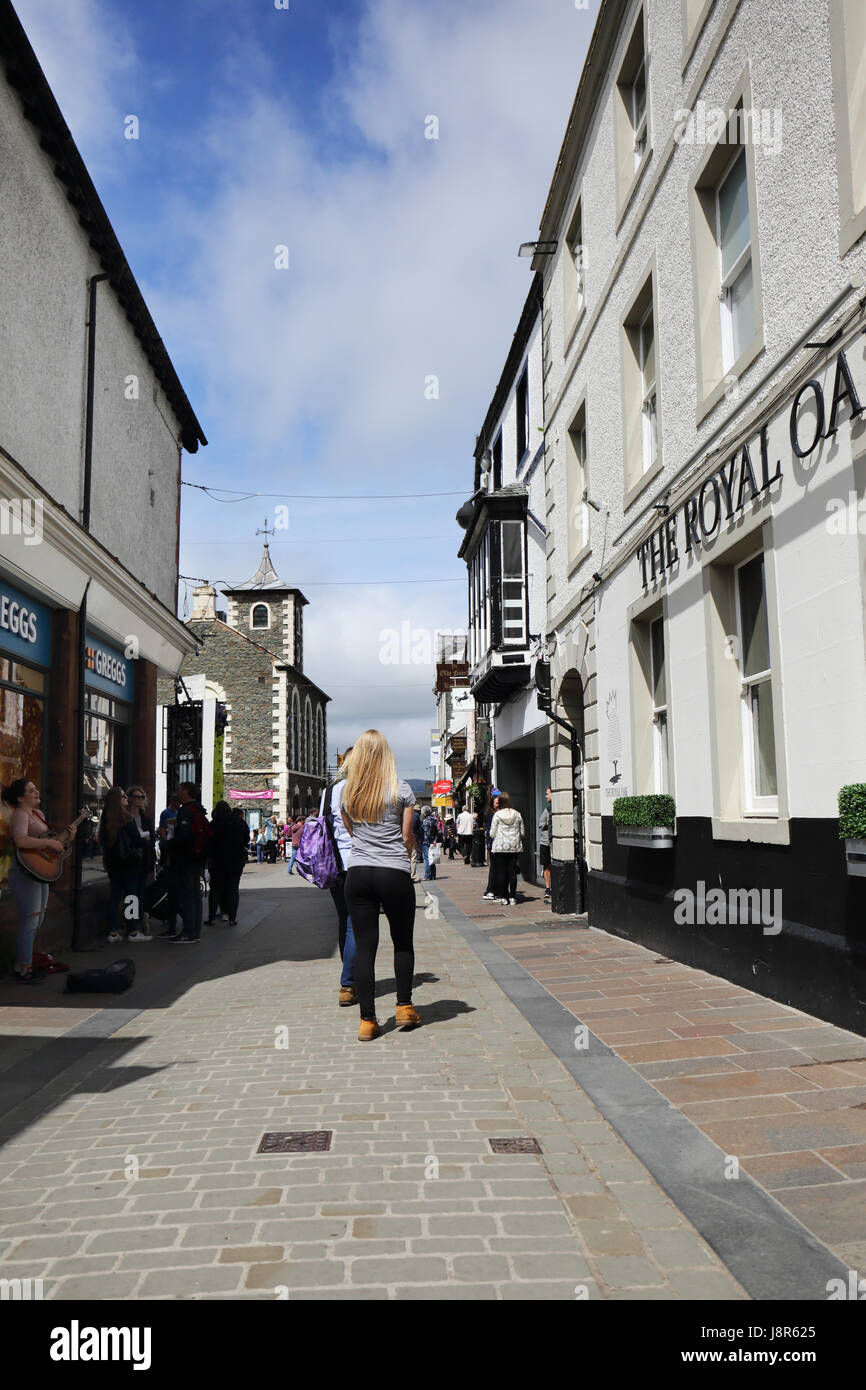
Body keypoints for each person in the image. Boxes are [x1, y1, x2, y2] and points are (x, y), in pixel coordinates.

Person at [342, 729, 420, 1042]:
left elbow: (351, 832)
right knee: (402, 942)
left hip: (358, 873)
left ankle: (368, 1021)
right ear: (386, 754)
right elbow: (406, 836)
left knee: (365, 946)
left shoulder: (349, 792)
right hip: (393, 872)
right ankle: (404, 1007)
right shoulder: (402, 789)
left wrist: (368, 845)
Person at [2, 779, 77, 982]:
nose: (36, 792)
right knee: (31, 920)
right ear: (20, 798)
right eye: (31, 790)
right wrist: (48, 843)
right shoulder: (20, 814)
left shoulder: (38, 815)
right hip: (25, 873)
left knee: (38, 919)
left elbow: (50, 845)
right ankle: (23, 967)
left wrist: (67, 839)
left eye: (36, 789)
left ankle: (27, 960)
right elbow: (20, 840)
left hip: (39, 872)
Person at [320, 745, 357, 1006]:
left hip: (334, 864)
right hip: (358, 862)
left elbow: (324, 826)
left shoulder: (329, 791)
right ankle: (348, 982)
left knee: (344, 920)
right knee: (356, 923)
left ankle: (349, 977)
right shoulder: (361, 789)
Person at [99, 786, 150, 942]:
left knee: (115, 897)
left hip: (114, 865)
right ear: (117, 800)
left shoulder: (106, 819)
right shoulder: (127, 818)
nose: (126, 798)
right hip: (129, 864)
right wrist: (146, 838)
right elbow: (137, 841)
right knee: (131, 897)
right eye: (123, 796)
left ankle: (112, 932)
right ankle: (132, 931)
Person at [167, 783, 210, 943]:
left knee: (187, 895)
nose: (177, 792)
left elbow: (184, 837)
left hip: (187, 858)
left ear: (186, 792)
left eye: (179, 789)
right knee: (195, 895)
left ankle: (188, 931)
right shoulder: (199, 809)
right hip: (197, 857)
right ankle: (194, 931)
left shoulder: (186, 811)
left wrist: (170, 843)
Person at [205, 800, 249, 925]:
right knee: (233, 889)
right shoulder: (239, 822)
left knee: (215, 889)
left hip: (217, 861)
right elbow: (246, 839)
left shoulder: (213, 824)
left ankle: (211, 917)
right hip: (236, 860)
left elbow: (208, 843)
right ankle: (232, 918)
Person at [126, 786, 156, 936]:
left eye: (141, 797)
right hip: (129, 860)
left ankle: (140, 920)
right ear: (130, 798)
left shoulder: (145, 818)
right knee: (131, 894)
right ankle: (131, 926)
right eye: (136, 796)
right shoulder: (125, 817)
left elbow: (151, 840)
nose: (139, 799)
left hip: (143, 860)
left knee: (140, 893)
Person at [489, 792, 525, 906]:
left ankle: (503, 897)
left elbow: (492, 833)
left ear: (500, 803)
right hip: (514, 847)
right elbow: (522, 833)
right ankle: (513, 897)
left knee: (501, 872)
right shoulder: (517, 814)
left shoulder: (497, 815)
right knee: (512, 872)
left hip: (500, 847)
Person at [482, 794, 501, 900]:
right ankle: (491, 890)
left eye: (499, 803)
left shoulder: (493, 813)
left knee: (495, 868)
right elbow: (492, 831)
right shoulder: (491, 814)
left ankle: (492, 890)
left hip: (495, 843)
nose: (498, 805)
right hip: (493, 844)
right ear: (492, 804)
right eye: (497, 803)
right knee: (494, 868)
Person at [539, 786, 552, 903]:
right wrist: (546, 823)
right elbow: (540, 823)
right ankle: (548, 888)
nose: (545, 796)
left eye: (547, 793)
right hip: (545, 842)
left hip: (554, 842)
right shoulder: (547, 809)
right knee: (546, 865)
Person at [420, 805, 439, 881]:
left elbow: (426, 832)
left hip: (426, 842)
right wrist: (434, 840)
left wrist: (429, 840)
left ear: (424, 813)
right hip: (433, 842)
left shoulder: (425, 821)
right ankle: (433, 875)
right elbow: (436, 832)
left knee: (427, 859)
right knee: (432, 858)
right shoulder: (434, 820)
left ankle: (427, 875)